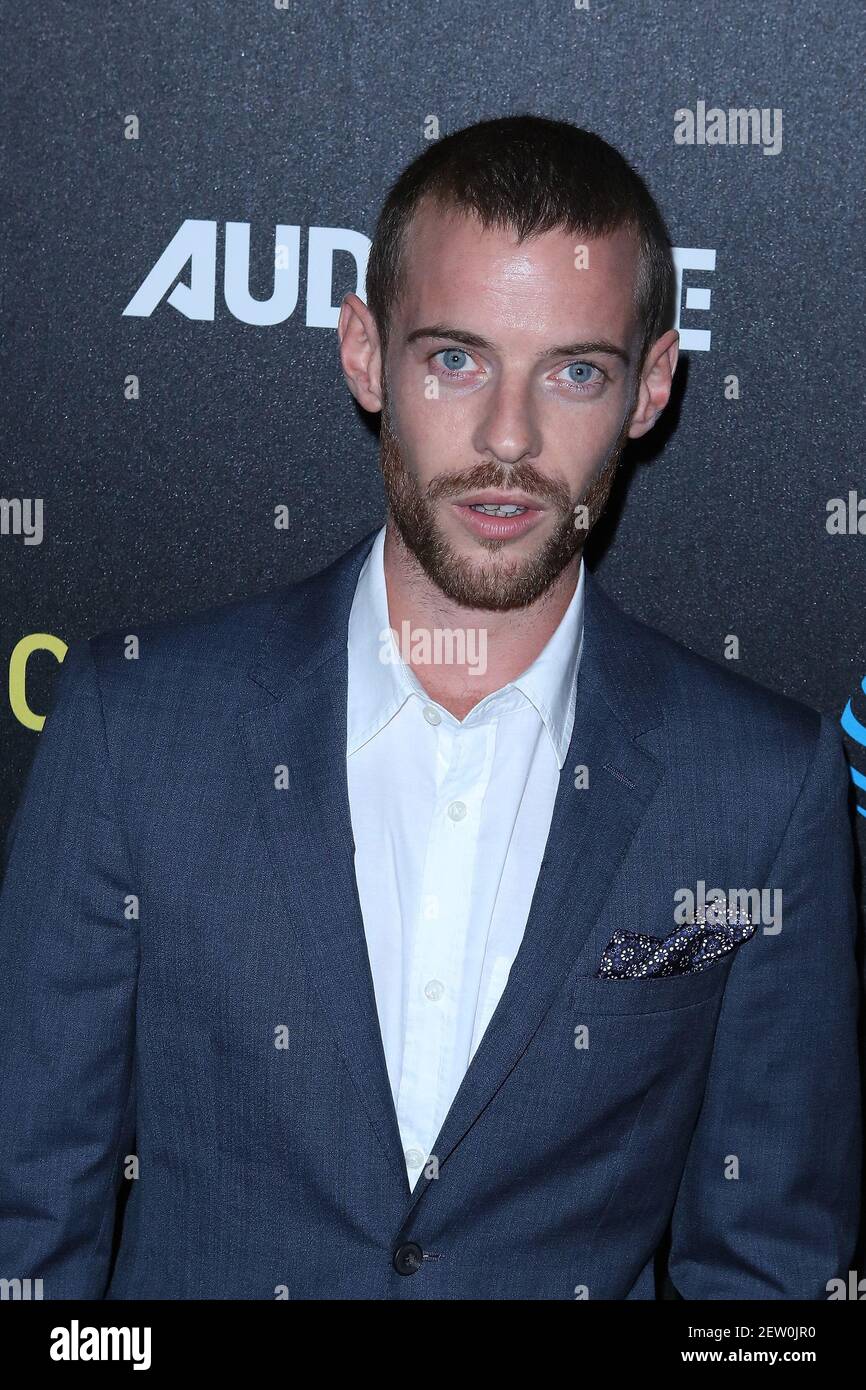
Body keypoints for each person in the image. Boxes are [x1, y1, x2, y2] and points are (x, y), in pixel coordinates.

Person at [0, 114, 860, 1300]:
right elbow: (25, 1221)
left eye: (573, 371)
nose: (507, 442)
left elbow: (765, 1276)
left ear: (650, 385)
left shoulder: (761, 785)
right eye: (455, 359)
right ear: (365, 353)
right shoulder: (132, 728)